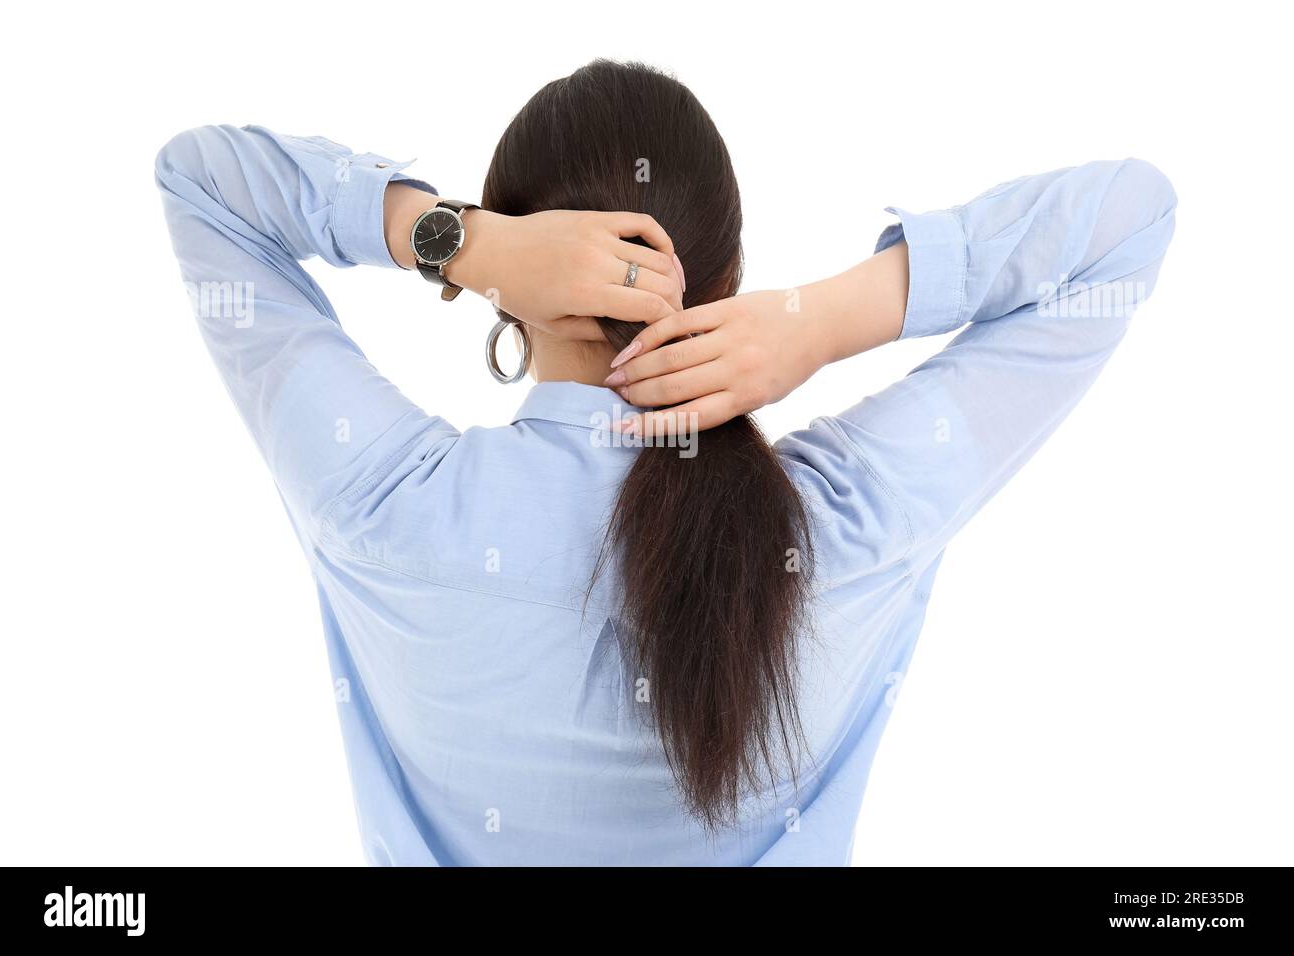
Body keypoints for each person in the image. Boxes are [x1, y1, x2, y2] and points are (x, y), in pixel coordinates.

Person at [155, 59, 1176, 865]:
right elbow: (1128, 221)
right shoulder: (845, 526)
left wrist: (456, 241)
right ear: (727, 276)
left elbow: (202, 180)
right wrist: (821, 319)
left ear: (512, 302)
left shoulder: (379, 501)